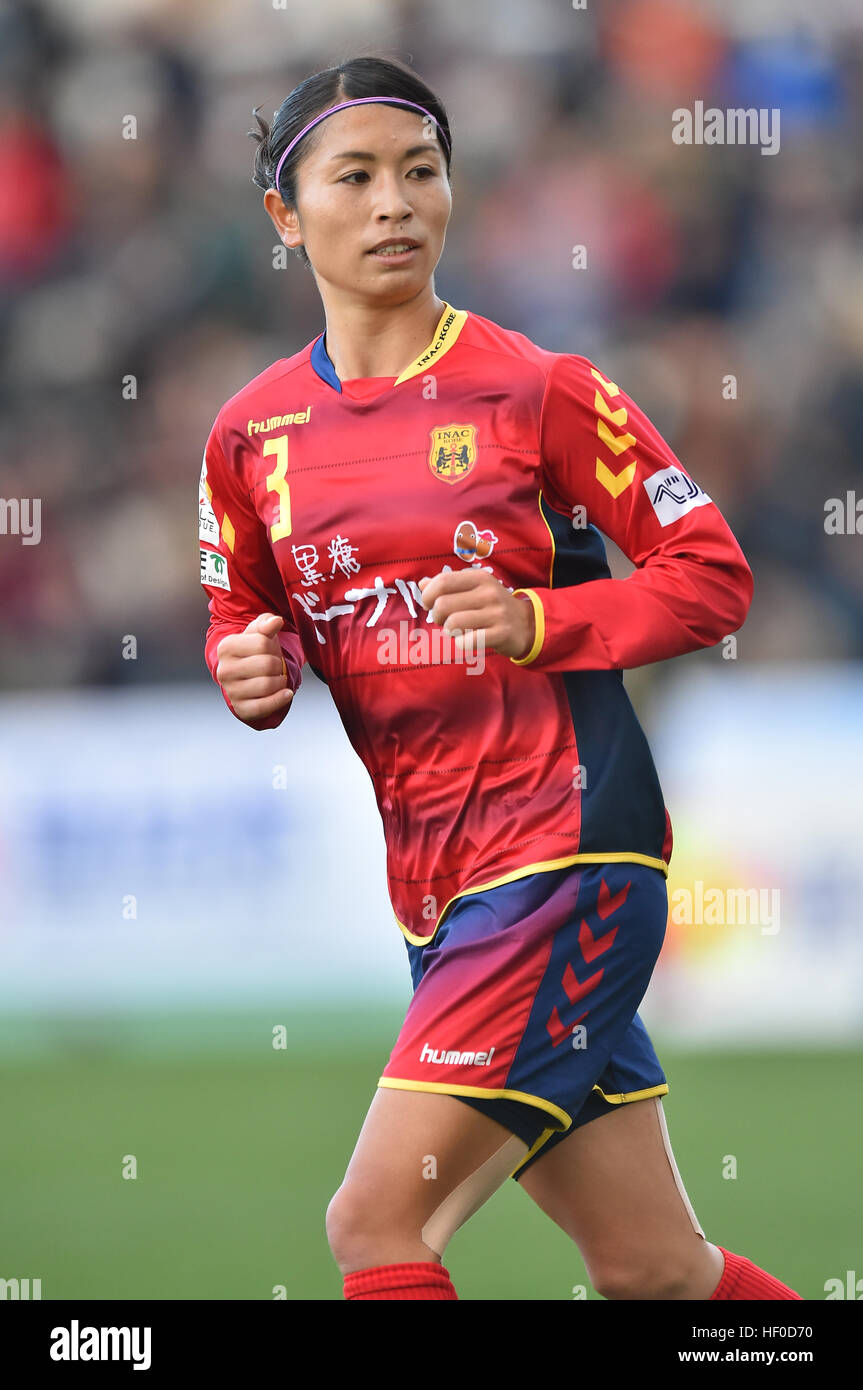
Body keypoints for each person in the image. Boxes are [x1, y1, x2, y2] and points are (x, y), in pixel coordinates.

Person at [198, 54, 800, 1302]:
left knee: (373, 1224)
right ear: (282, 213)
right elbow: (244, 614)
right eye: (353, 177)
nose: (393, 203)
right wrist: (245, 664)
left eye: (419, 172)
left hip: (565, 855)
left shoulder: (540, 388)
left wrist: (539, 619)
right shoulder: (248, 435)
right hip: (437, 890)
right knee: (652, 1270)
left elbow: (711, 574)